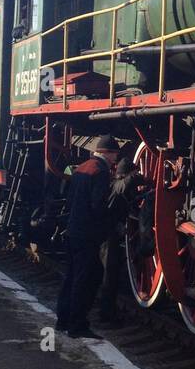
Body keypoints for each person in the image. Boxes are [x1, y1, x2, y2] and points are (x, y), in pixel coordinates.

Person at [55, 135, 120, 338]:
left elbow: (71, 198)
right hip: (88, 234)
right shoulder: (100, 172)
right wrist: (113, 219)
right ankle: (77, 325)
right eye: (115, 155)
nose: (116, 159)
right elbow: (98, 206)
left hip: (73, 230)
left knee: (71, 276)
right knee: (87, 279)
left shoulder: (82, 168)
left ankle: (62, 320)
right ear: (108, 153)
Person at [97, 158, 141, 325]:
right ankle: (106, 315)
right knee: (109, 275)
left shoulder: (114, 186)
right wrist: (139, 177)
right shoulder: (116, 185)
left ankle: (107, 311)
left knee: (110, 274)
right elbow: (125, 184)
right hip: (108, 236)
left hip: (110, 234)